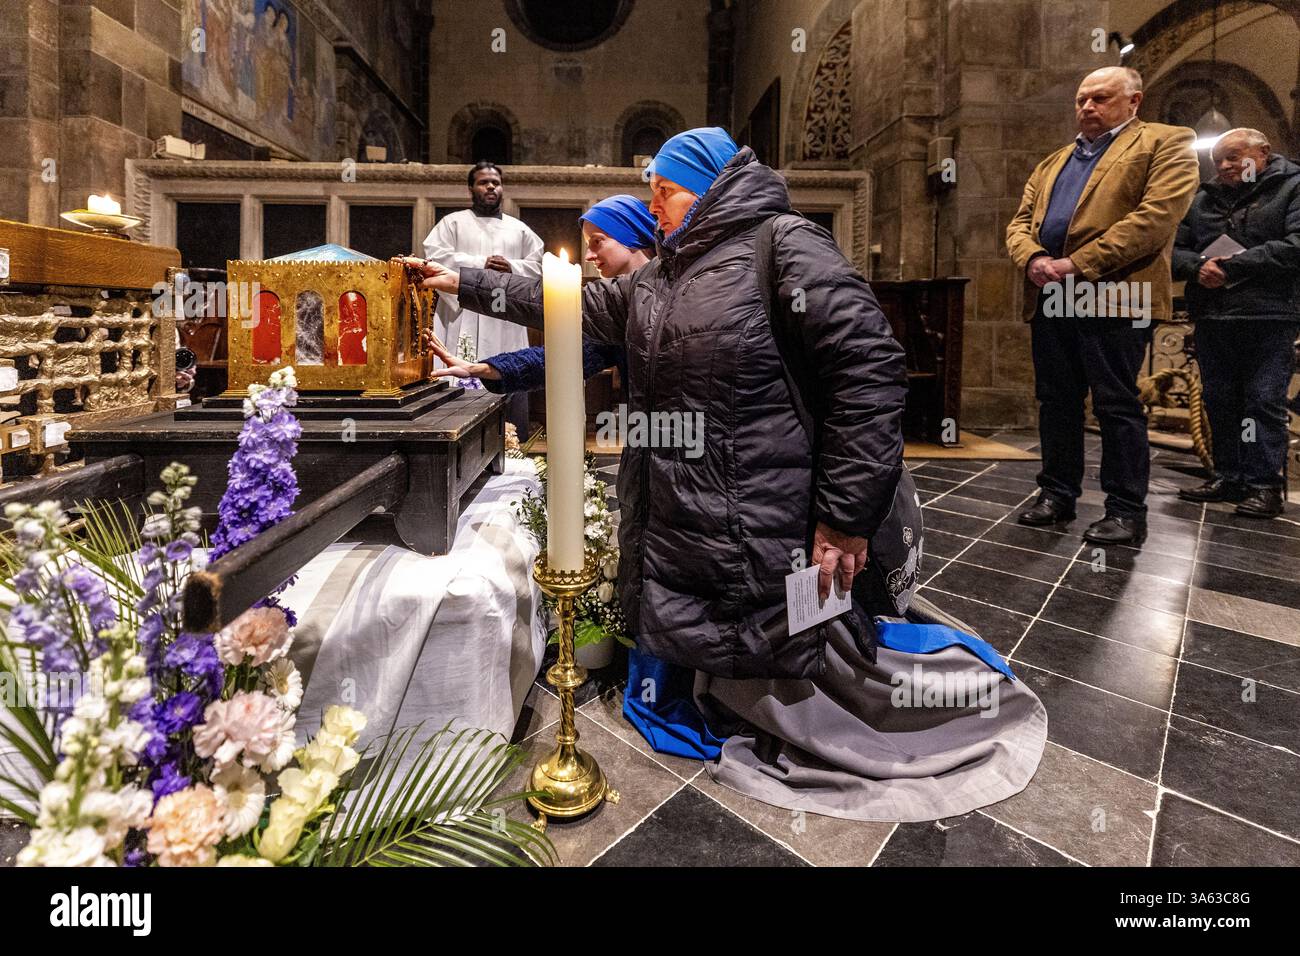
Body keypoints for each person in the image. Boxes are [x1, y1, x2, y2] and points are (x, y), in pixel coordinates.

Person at [405, 128, 1047, 823]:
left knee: (808, 659)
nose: (653, 207)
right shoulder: (660, 276)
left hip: (776, 502)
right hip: (701, 507)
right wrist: (463, 283)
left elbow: (869, 369)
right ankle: (732, 697)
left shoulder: (784, 244)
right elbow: (571, 305)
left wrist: (846, 515)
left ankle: (874, 710)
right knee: (728, 634)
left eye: (666, 192)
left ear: (712, 186)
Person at [1006, 66, 1199, 546]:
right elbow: (1020, 221)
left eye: (1101, 98)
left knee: (1116, 404)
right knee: (1056, 401)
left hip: (1117, 292)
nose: (1088, 106)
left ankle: (1126, 509)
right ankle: (1056, 494)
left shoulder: (1165, 142)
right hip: (1053, 293)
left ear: (1133, 102)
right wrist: (1033, 258)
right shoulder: (1053, 161)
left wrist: (1075, 263)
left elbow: (1153, 220)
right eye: (1082, 99)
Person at [1173, 129, 1300, 518]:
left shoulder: (1291, 188)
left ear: (1263, 153)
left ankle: (1264, 485)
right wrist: (1197, 268)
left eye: (1233, 157)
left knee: (1262, 401)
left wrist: (1231, 268)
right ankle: (1228, 475)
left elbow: (1297, 245)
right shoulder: (1203, 199)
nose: (1225, 166)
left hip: (1269, 314)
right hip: (1214, 315)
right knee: (1221, 400)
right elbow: (1174, 248)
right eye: (1218, 160)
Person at [418, 194, 654, 393]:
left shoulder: (663, 292)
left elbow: (540, 301)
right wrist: (483, 369)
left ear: (630, 237)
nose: (588, 256)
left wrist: (461, 283)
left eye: (597, 242)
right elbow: (564, 357)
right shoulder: (617, 306)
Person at [421, 160, 544, 435]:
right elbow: (434, 259)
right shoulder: (452, 223)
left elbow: (539, 267)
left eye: (496, 183)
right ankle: (455, 433)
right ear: (471, 188)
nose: (491, 186)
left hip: (505, 316)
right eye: (483, 182)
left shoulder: (520, 230)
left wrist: (512, 267)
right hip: (463, 313)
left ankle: (512, 437)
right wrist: (481, 264)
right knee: (459, 370)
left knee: (510, 367)